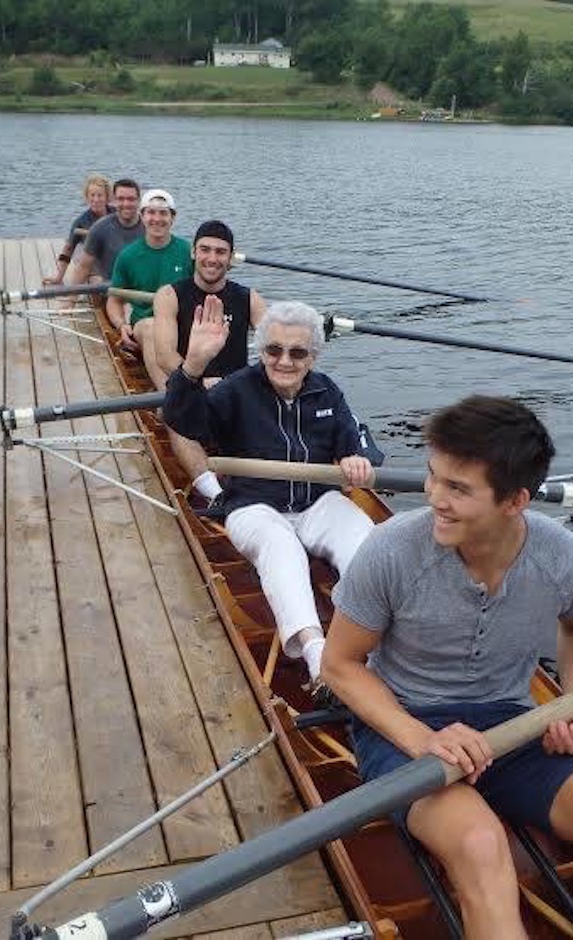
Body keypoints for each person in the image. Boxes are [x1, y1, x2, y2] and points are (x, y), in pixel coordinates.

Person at [321, 396, 573, 940]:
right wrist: (423, 739)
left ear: (516, 500)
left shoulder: (570, 559)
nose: (434, 498)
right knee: (480, 845)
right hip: (404, 727)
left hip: (513, 725)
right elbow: (339, 666)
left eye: (458, 489)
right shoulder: (391, 550)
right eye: (433, 476)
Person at [163, 299, 374, 688]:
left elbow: (354, 441)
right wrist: (192, 367)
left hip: (317, 502)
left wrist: (357, 459)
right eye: (274, 350)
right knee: (281, 548)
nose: (284, 361)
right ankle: (317, 657)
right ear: (260, 351)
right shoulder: (235, 390)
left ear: (313, 357)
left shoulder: (327, 391)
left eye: (297, 353)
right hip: (253, 506)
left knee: (368, 543)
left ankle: (368, 642)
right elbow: (183, 420)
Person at [152, 220, 267, 501]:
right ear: (193, 252)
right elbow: (165, 356)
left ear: (231, 258)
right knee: (174, 416)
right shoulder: (169, 295)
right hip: (190, 388)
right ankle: (215, 495)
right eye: (205, 249)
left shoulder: (249, 298)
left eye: (220, 252)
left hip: (235, 392)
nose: (212, 258)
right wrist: (199, 381)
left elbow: (274, 347)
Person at [106, 188, 191, 389]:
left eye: (163, 213)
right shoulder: (128, 256)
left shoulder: (188, 251)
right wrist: (121, 325)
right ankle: (167, 394)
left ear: (172, 218)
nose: (157, 219)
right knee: (153, 327)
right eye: (151, 212)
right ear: (142, 216)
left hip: (181, 321)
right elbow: (114, 299)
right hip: (145, 324)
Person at [66, 178, 143, 284]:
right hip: (109, 286)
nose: (126, 204)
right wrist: (67, 288)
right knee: (95, 279)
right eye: (121, 199)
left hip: (141, 286)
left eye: (131, 199)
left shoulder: (149, 227)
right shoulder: (97, 227)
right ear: (114, 200)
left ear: (139, 200)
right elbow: (82, 267)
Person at [43, 174, 111, 286]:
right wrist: (59, 277)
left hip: (116, 261)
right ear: (86, 197)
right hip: (94, 267)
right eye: (92, 195)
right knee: (99, 284)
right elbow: (68, 249)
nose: (96, 199)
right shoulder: (81, 222)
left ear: (107, 197)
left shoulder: (116, 214)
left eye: (100, 195)